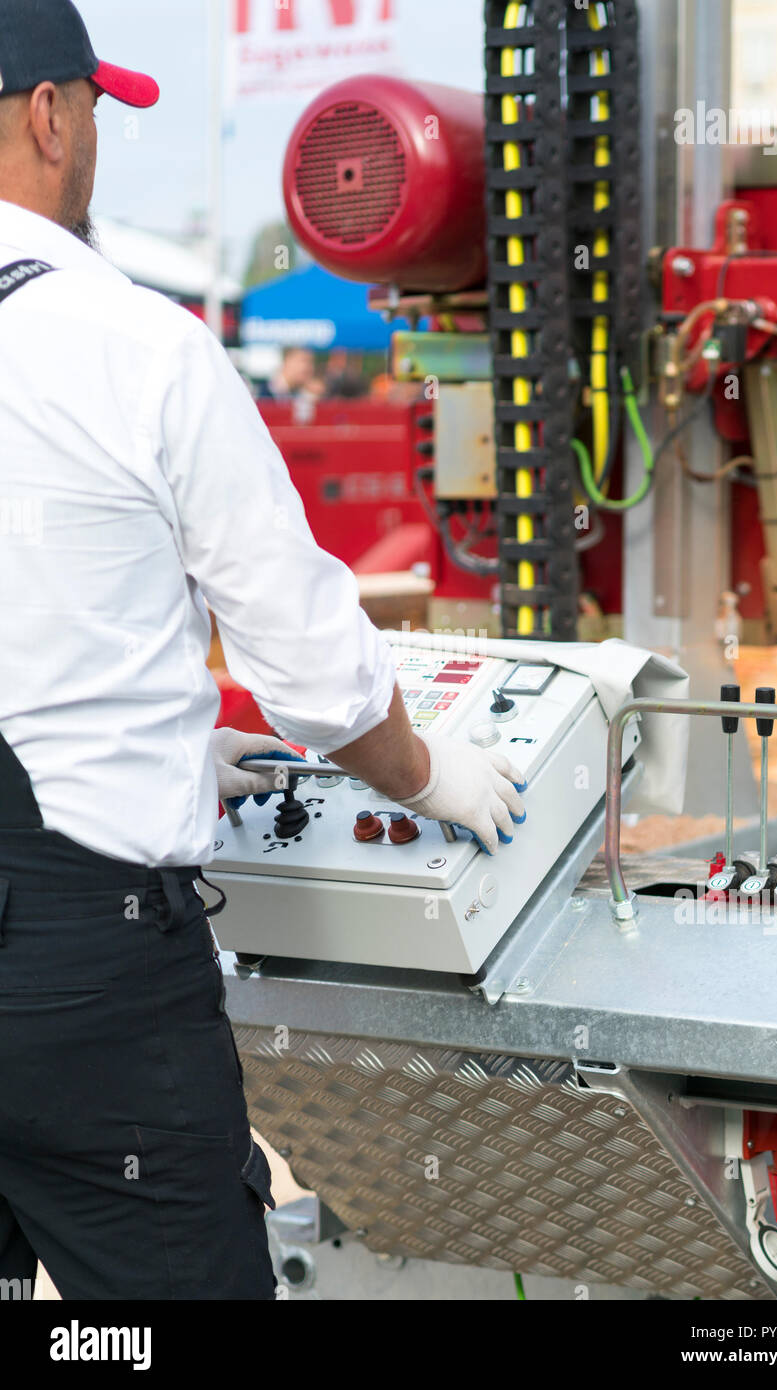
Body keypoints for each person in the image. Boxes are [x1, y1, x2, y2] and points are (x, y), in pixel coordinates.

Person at [0, 0, 525, 1301]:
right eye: (98, 114)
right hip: (76, 963)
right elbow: (308, 664)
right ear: (51, 113)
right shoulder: (132, 346)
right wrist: (424, 776)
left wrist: (166, 740)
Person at [259, 345, 323, 403]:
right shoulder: (261, 394)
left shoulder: (305, 396)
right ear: (286, 361)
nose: (309, 367)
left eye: (312, 362)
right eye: (304, 360)